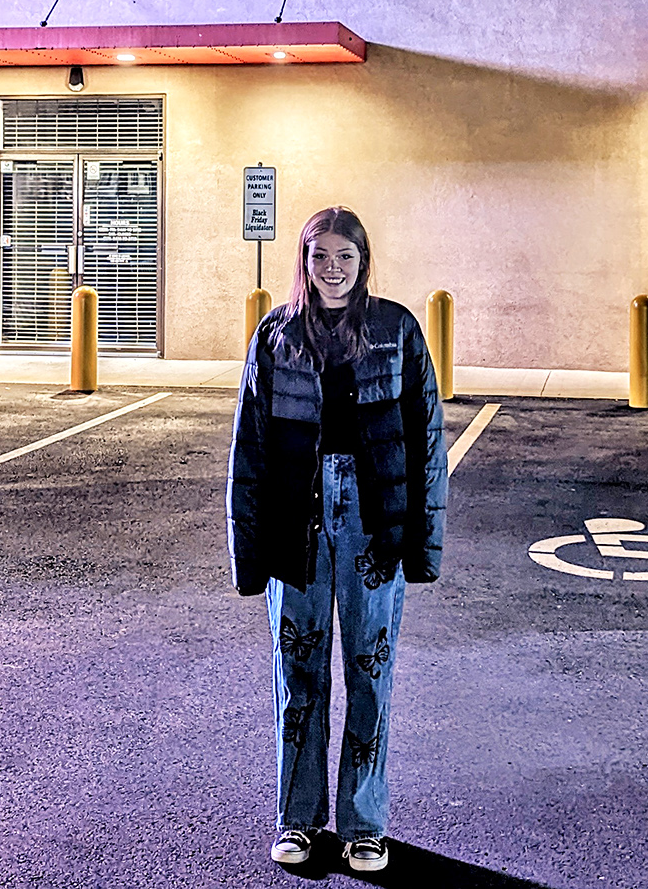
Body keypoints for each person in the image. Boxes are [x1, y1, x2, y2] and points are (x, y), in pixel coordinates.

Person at [226, 206, 447, 874]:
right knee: (298, 674)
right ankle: (296, 819)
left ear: (363, 259)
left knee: (370, 673)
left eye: (345, 256)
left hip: (374, 519)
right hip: (298, 520)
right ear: (303, 259)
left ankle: (364, 823)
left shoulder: (396, 328)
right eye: (320, 255)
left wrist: (423, 542)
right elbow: (250, 445)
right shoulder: (277, 334)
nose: (332, 268)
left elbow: (427, 437)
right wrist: (249, 548)